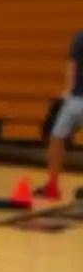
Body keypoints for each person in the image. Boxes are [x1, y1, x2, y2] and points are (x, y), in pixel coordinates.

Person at [36, 30, 82, 200]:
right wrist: (68, 92)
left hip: (75, 99)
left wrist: (67, 93)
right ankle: (52, 186)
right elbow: (72, 64)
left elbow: (72, 64)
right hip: (76, 98)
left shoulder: (80, 38)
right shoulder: (81, 38)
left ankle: (52, 186)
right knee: (56, 138)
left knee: (56, 138)